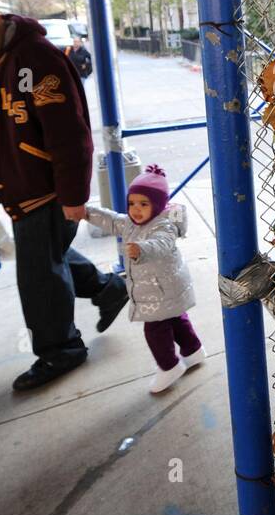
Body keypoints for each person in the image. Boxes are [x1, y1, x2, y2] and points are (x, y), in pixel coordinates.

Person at [0, 0, 128, 392]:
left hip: (46, 190)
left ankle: (62, 349)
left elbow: (70, 136)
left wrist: (73, 196)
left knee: (39, 277)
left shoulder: (37, 59)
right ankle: (109, 289)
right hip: (22, 187)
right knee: (44, 256)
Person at [85, 164, 205, 394]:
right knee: (175, 319)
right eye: (132, 203)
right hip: (167, 290)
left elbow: (162, 243)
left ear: (158, 205)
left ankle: (169, 366)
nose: (136, 210)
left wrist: (141, 249)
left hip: (160, 291)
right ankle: (193, 350)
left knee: (155, 329)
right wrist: (88, 213)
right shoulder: (131, 223)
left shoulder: (164, 225)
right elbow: (111, 220)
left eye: (143, 204)